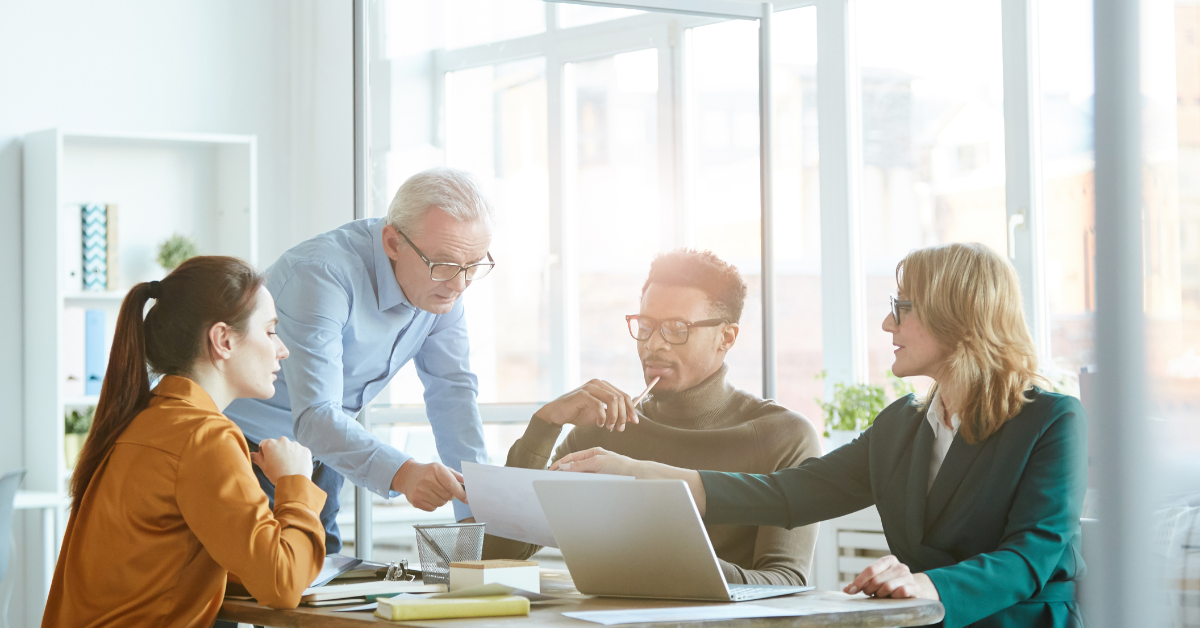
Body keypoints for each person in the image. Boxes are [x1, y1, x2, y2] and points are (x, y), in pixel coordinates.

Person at [552, 243, 1088, 628]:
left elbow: (1031, 555)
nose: (886, 325)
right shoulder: (900, 427)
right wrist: (639, 473)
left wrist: (932, 584)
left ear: (957, 316)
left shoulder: (1052, 421)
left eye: (901, 309)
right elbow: (786, 495)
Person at [482, 249, 821, 586]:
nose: (653, 345)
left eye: (676, 329)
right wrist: (544, 425)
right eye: (645, 326)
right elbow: (497, 554)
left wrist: (662, 553)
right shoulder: (601, 430)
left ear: (726, 337)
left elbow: (786, 581)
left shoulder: (784, 435)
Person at [43, 257, 327, 628]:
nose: (282, 350)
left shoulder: (148, 419)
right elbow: (282, 583)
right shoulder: (204, 436)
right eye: (271, 331)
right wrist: (295, 482)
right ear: (223, 340)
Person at [224, 167, 493, 552]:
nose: (459, 284)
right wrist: (403, 473)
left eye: (473, 266)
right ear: (392, 242)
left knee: (318, 590)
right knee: (232, 592)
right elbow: (315, 414)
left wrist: (474, 517)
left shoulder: (445, 287)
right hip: (241, 446)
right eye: (445, 264)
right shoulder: (321, 274)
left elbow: (453, 392)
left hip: (323, 450)